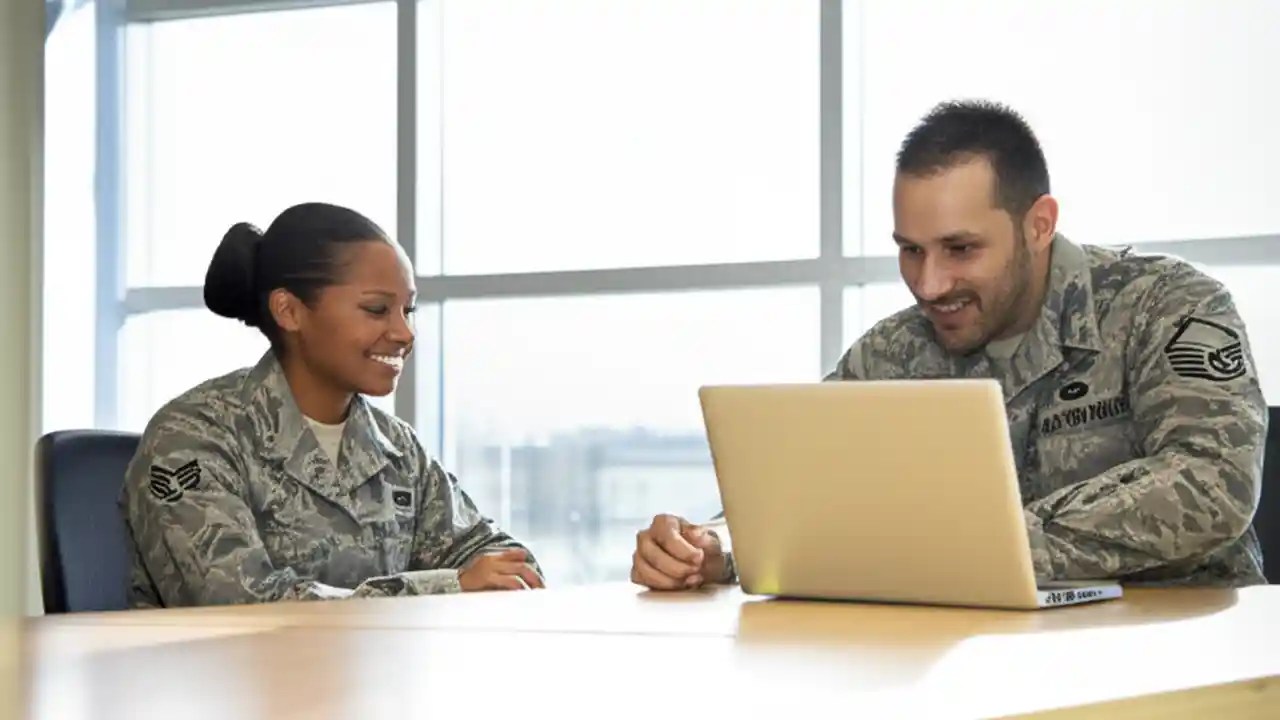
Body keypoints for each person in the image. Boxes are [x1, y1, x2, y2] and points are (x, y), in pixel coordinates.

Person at [632, 99, 1267, 591]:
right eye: (910, 250)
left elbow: (1212, 483)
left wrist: (978, 545)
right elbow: (798, 501)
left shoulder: (1165, 305)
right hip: (968, 663)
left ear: (1038, 225)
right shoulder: (891, 355)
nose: (930, 285)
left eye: (961, 249)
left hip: (1180, 655)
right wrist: (714, 548)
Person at [121, 202, 543, 608]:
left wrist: (500, 576)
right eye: (377, 310)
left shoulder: (396, 449)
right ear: (288, 311)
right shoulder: (192, 438)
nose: (404, 333)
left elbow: (493, 555)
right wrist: (447, 588)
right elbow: (239, 604)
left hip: (379, 679)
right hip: (224, 681)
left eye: (407, 310)